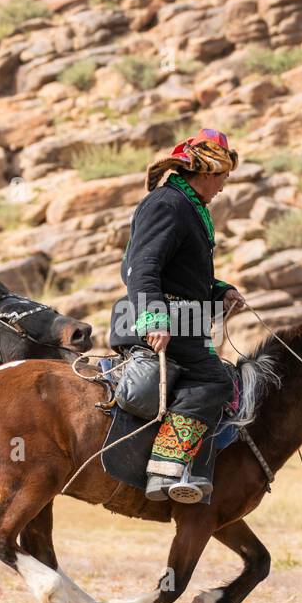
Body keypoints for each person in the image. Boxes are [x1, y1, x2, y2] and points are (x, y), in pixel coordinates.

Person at [109, 128, 245, 503]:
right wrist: (154, 319)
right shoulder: (167, 204)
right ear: (204, 174)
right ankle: (164, 469)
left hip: (181, 318)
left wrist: (219, 289)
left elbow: (180, 273)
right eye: (222, 178)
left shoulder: (186, 204)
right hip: (166, 320)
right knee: (215, 381)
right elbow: (142, 265)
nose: (222, 187)